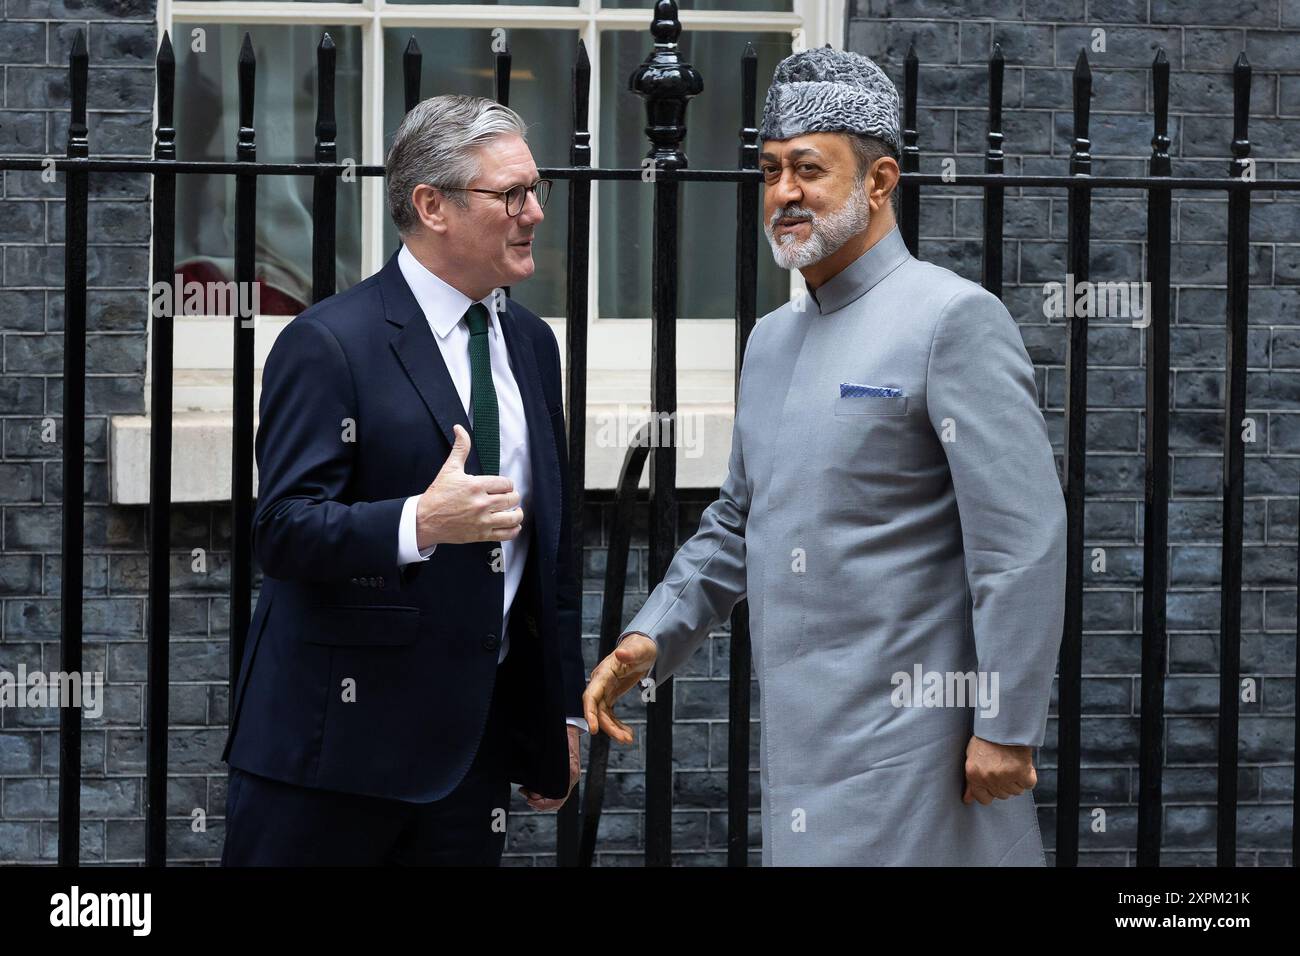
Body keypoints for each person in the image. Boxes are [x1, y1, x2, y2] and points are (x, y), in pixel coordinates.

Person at [583, 48, 1067, 866]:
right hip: (804, 750)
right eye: (770, 171)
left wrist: (1007, 725)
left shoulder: (953, 319)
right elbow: (739, 521)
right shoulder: (773, 341)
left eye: (808, 169)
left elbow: (1020, 538)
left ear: (880, 181)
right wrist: (651, 637)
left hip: (924, 749)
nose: (782, 194)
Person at [221, 94, 585, 865]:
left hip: (470, 759)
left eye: (535, 191)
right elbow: (282, 530)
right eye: (510, 195)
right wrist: (417, 522)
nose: (533, 214)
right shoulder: (329, 343)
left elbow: (552, 548)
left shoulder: (529, 342)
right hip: (332, 763)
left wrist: (560, 711)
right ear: (432, 206)